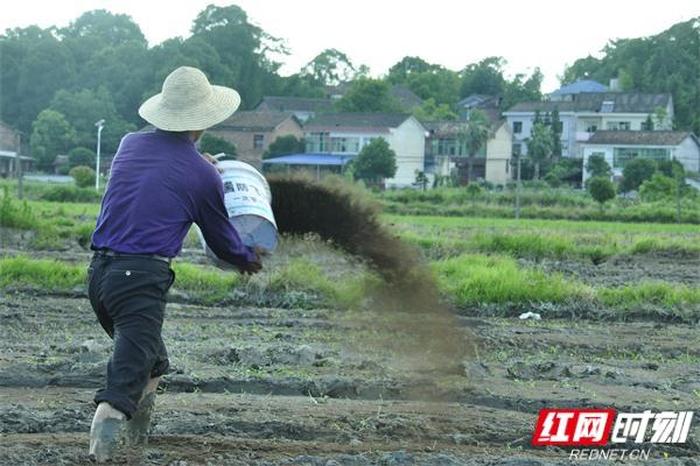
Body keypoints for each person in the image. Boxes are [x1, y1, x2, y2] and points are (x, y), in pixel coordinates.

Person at [86, 66, 262, 462]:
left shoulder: (129, 144)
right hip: (139, 281)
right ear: (202, 121)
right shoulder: (203, 175)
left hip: (99, 275)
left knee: (152, 363)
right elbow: (223, 242)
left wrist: (202, 165)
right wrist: (249, 260)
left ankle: (135, 448)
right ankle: (101, 454)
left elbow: (163, 171)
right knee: (123, 384)